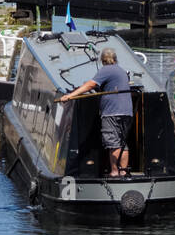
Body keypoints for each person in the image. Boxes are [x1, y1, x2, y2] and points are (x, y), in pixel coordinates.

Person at [57, 48, 133, 178]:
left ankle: (115, 172)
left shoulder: (106, 69)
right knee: (122, 143)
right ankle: (123, 171)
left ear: (103, 60)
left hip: (112, 112)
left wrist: (70, 96)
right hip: (127, 112)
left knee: (113, 143)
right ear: (115, 59)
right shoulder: (120, 70)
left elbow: (90, 85)